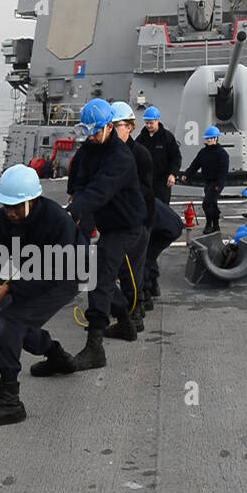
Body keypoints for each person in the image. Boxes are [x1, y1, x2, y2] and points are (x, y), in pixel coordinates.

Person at [0, 165, 86, 427]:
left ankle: (9, 402)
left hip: (68, 274)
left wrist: (11, 287)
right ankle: (57, 356)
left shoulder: (57, 220)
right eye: (6, 206)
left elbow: (56, 271)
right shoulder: (4, 220)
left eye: (17, 206)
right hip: (34, 271)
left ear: (33, 200)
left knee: (10, 322)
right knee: (20, 326)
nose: (11, 213)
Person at [66, 98, 146, 367]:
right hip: (109, 224)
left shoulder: (120, 157)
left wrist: (75, 210)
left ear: (109, 126)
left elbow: (100, 189)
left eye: (95, 131)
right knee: (99, 274)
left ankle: (94, 348)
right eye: (87, 132)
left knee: (98, 277)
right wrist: (74, 203)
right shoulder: (91, 147)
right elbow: (81, 178)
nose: (91, 137)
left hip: (127, 226)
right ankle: (125, 323)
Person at [110, 102, 155, 330]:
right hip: (119, 222)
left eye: (116, 125)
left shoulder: (139, 155)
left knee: (131, 271)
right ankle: (131, 311)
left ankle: (134, 316)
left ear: (130, 127)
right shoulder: (111, 152)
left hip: (137, 222)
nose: (112, 130)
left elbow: (144, 192)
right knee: (121, 269)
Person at [183, 126, 229, 234]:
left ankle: (209, 224)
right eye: (207, 138)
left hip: (216, 183)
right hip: (207, 182)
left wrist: (219, 184)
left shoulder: (222, 154)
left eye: (211, 138)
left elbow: (223, 171)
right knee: (212, 204)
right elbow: (195, 165)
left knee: (206, 203)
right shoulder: (203, 152)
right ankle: (216, 226)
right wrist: (187, 175)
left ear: (216, 138)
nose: (209, 140)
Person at [137, 106, 182, 204]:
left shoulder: (167, 137)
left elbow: (176, 157)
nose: (148, 125)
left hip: (162, 182)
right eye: (147, 123)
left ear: (157, 120)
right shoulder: (141, 138)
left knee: (162, 210)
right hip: (145, 181)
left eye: (151, 123)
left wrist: (172, 174)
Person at [144, 198, 185, 298]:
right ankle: (153, 285)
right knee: (149, 254)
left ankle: (146, 291)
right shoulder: (144, 195)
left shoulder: (140, 201)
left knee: (145, 257)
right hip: (171, 224)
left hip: (167, 229)